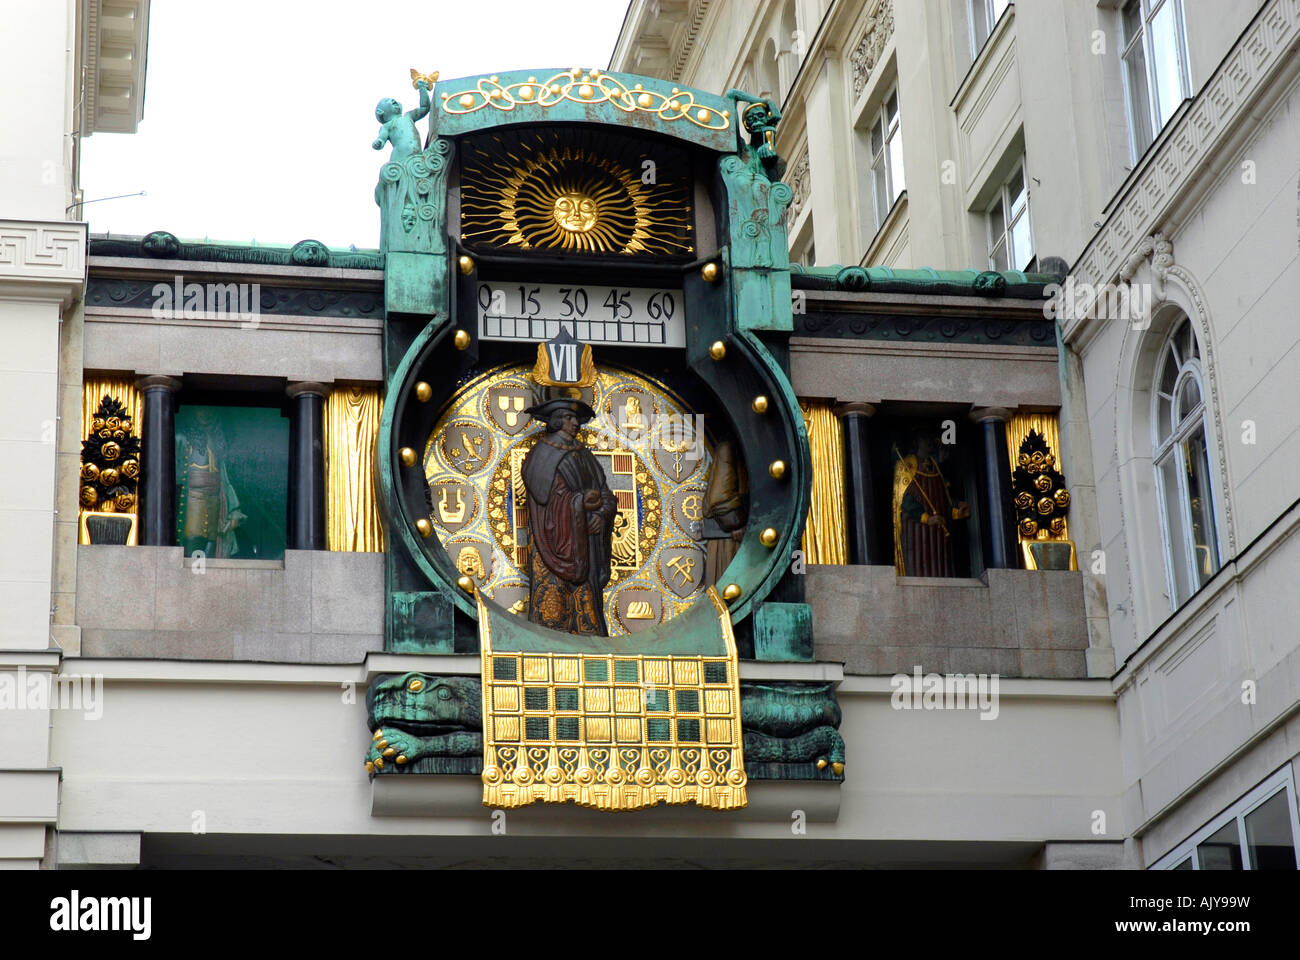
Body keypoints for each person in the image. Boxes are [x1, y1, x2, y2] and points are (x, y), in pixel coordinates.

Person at [520, 398, 618, 636]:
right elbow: (548, 497)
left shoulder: (583, 454)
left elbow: (604, 491)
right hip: (556, 537)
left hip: (586, 540)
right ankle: (553, 632)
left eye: (576, 419)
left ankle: (588, 632)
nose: (576, 423)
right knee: (554, 599)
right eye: (569, 418)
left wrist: (602, 515)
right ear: (556, 421)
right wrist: (579, 504)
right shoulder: (542, 454)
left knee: (588, 603)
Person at [893, 433, 970, 577]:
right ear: (916, 441)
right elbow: (905, 501)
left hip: (939, 530)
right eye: (924, 437)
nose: (929, 440)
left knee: (940, 564)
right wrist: (926, 518)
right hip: (917, 530)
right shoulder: (907, 465)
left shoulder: (935, 465)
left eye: (929, 437)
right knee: (920, 564)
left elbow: (942, 495)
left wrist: (956, 509)